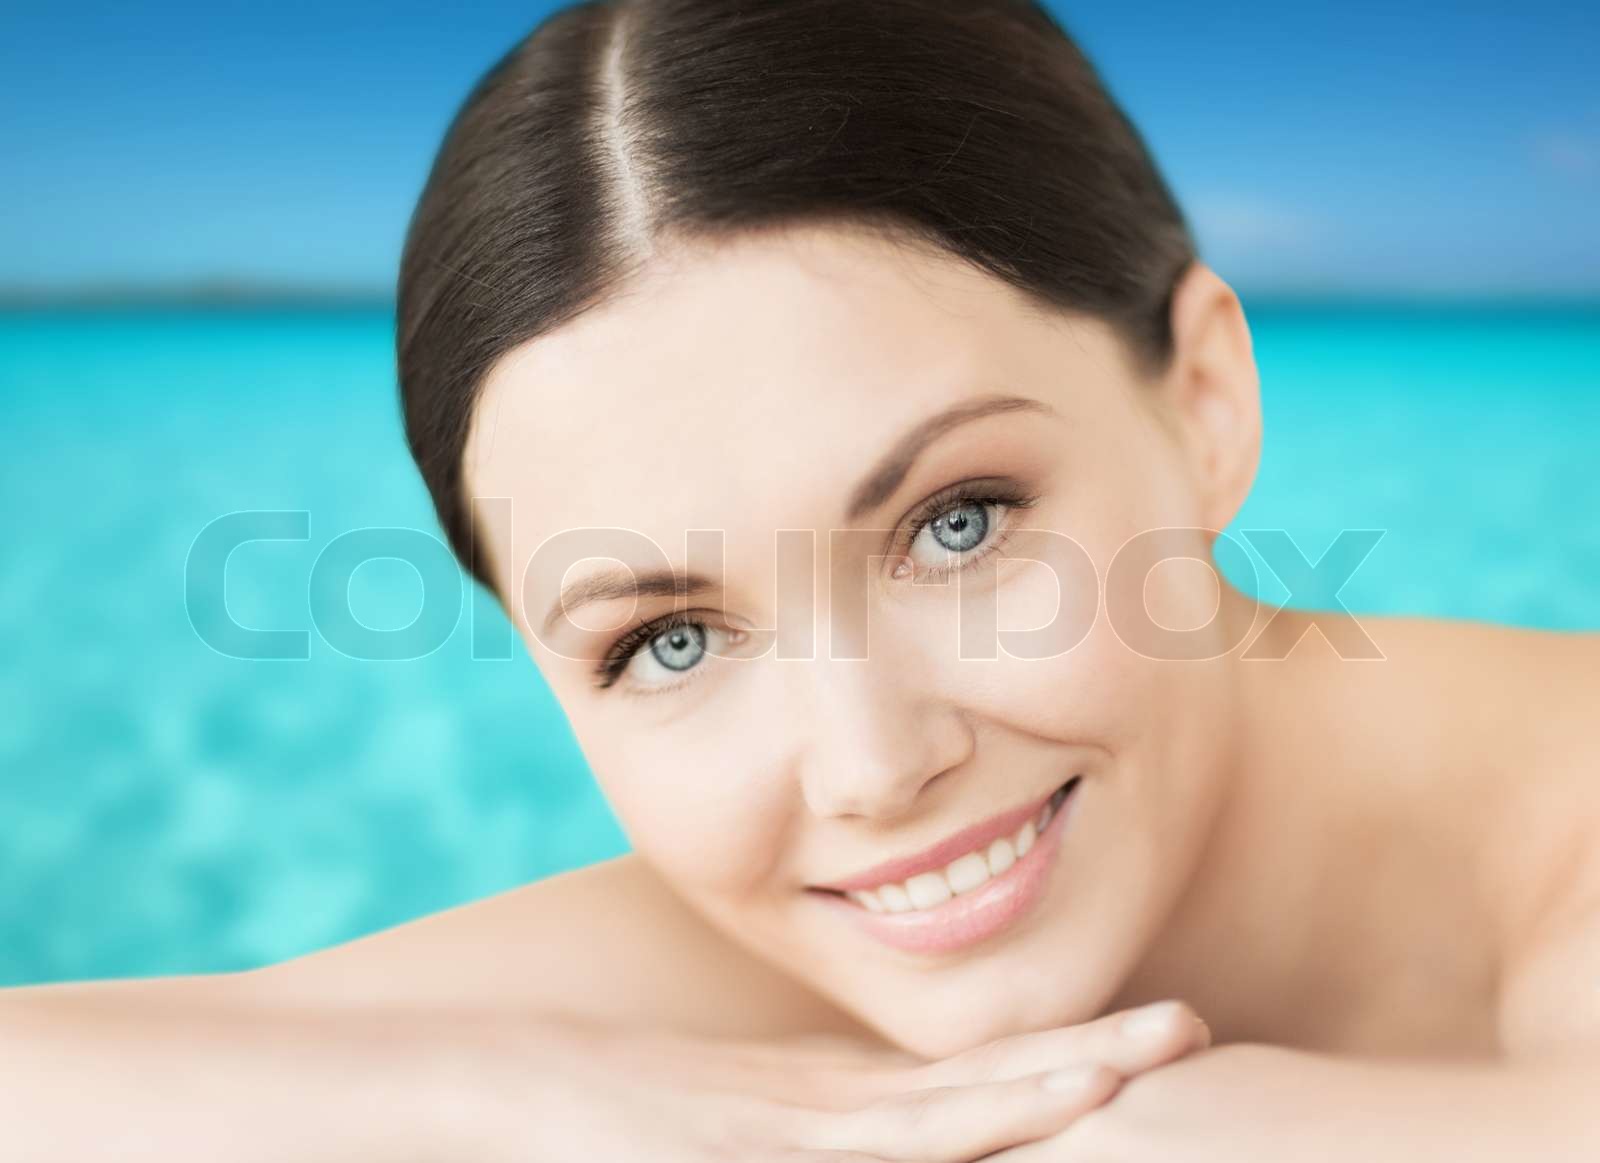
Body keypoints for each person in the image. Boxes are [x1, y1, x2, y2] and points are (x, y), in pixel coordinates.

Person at [5, 1, 1598, 1158]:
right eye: (672, 639)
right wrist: (502, 1099)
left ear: (1206, 405)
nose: (873, 766)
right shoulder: (772, 959)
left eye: (960, 524)